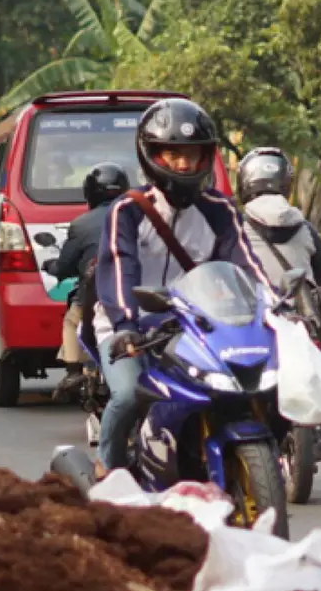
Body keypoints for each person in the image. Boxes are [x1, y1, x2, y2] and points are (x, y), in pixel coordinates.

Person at [91, 98, 274, 478]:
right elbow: (119, 269)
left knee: (245, 387)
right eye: (173, 154)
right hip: (129, 325)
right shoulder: (127, 211)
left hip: (194, 324)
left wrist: (272, 307)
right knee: (127, 396)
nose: (185, 164)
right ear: (151, 155)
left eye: (193, 154)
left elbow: (245, 264)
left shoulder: (219, 209)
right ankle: (109, 473)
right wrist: (125, 324)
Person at [45, 162, 131, 401]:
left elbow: (64, 266)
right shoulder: (137, 217)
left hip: (94, 296)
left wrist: (50, 266)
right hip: (132, 295)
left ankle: (73, 371)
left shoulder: (81, 224)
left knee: (72, 319)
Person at [236, 146, 321, 288]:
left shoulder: (236, 229)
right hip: (300, 308)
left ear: (244, 182)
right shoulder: (306, 229)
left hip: (254, 309)